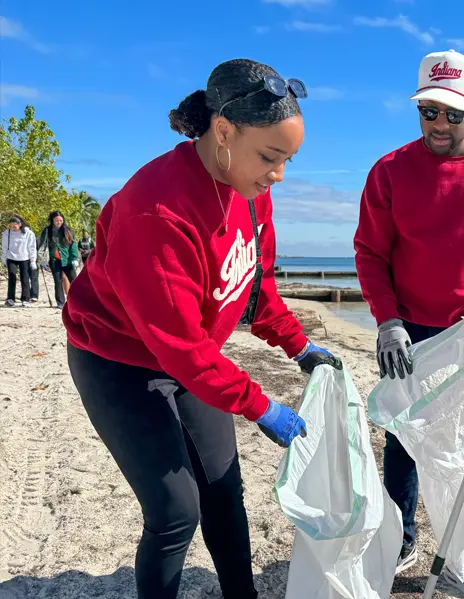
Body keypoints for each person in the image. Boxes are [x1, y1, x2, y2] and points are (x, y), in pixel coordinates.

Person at [62, 58, 341, 599]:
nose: (278, 174)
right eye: (270, 156)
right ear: (222, 132)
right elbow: (181, 346)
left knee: (222, 489)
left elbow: (254, 287)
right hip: (119, 359)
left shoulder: (251, 189)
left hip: (192, 357)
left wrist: (298, 344)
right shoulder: (156, 211)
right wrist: (260, 405)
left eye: (288, 160)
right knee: (175, 511)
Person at [354, 49, 464, 599]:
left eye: (452, 114)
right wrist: (387, 322)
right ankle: (401, 539)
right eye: (429, 111)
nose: (439, 124)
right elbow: (369, 253)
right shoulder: (388, 172)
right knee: (405, 441)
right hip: (406, 335)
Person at [38, 211, 80, 308]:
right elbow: (42, 245)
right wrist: (42, 260)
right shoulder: (47, 230)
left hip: (68, 260)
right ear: (52, 220)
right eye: (56, 220)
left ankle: (77, 301)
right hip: (54, 261)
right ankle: (60, 303)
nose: (59, 222)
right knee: (57, 281)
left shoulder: (68, 230)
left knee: (74, 281)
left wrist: (75, 258)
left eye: (61, 220)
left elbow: (73, 244)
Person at [2, 215, 37, 306]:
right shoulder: (7, 233)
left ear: (20, 224)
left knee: (25, 278)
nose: (13, 228)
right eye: (11, 226)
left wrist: (33, 261)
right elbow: (5, 247)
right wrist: (4, 259)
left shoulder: (28, 233)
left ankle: (25, 299)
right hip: (11, 257)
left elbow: (32, 248)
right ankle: (10, 299)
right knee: (12, 277)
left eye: (15, 226)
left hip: (24, 258)